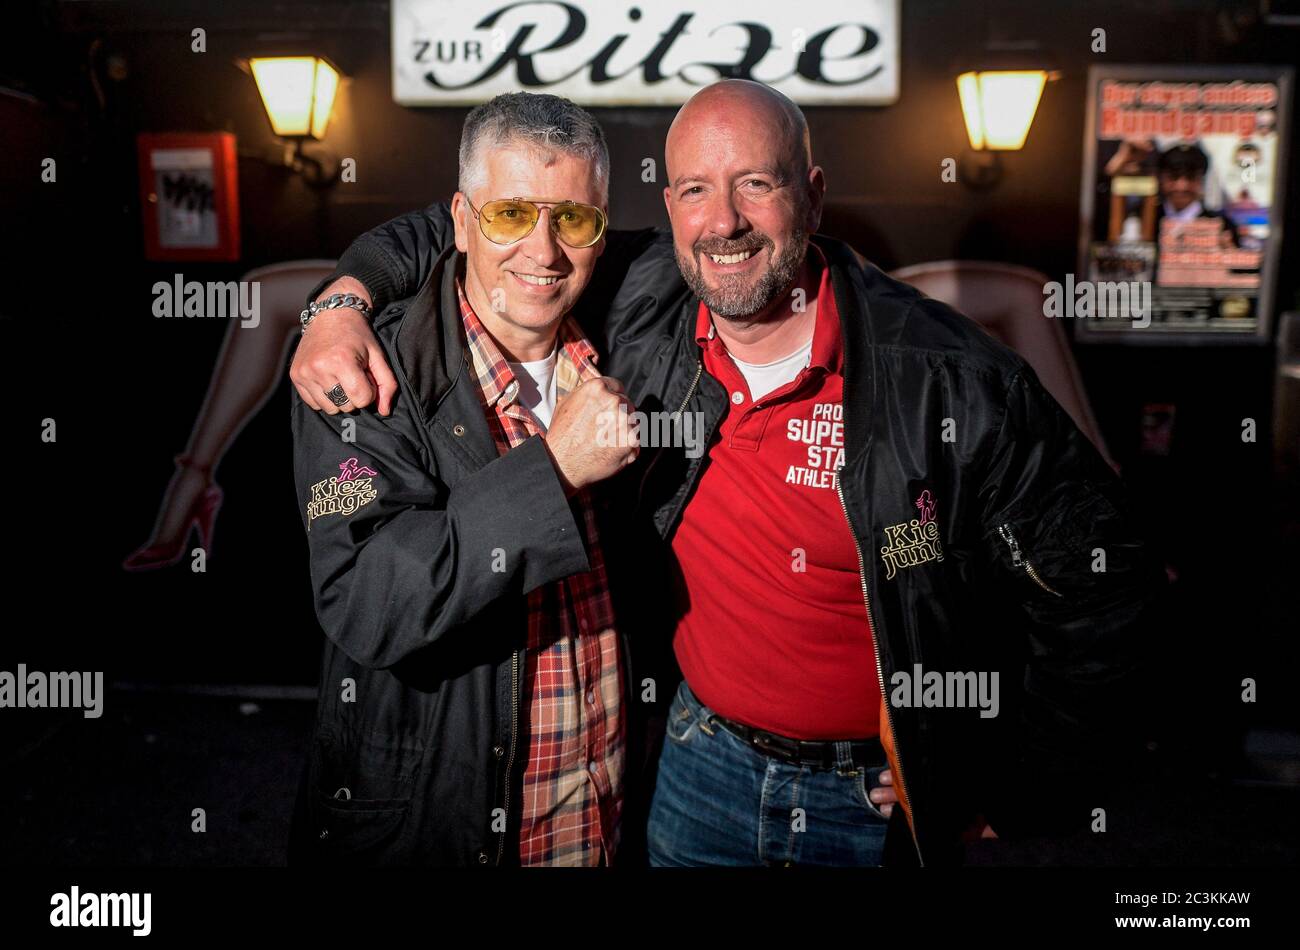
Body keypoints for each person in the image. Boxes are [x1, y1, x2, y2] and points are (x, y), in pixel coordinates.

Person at [292, 80, 1166, 867]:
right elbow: (368, 598)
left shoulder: (931, 374)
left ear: (812, 195)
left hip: (851, 805)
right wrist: (340, 299)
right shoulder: (377, 372)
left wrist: (1016, 784)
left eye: (756, 183)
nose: (724, 223)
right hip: (677, 777)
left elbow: (1104, 580)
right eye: (695, 192)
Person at [288, 92, 651, 866]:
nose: (544, 250)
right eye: (511, 214)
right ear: (460, 220)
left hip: (603, 829)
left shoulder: (626, 333)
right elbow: (367, 599)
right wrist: (553, 471)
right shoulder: (363, 374)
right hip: (445, 834)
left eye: (573, 220)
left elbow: (751, 247)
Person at [1155, 143, 1240, 248]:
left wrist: (1228, 252)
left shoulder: (1222, 225)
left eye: (1190, 178)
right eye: (1173, 177)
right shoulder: (1147, 220)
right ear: (1161, 179)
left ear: (1201, 180)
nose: (1181, 186)